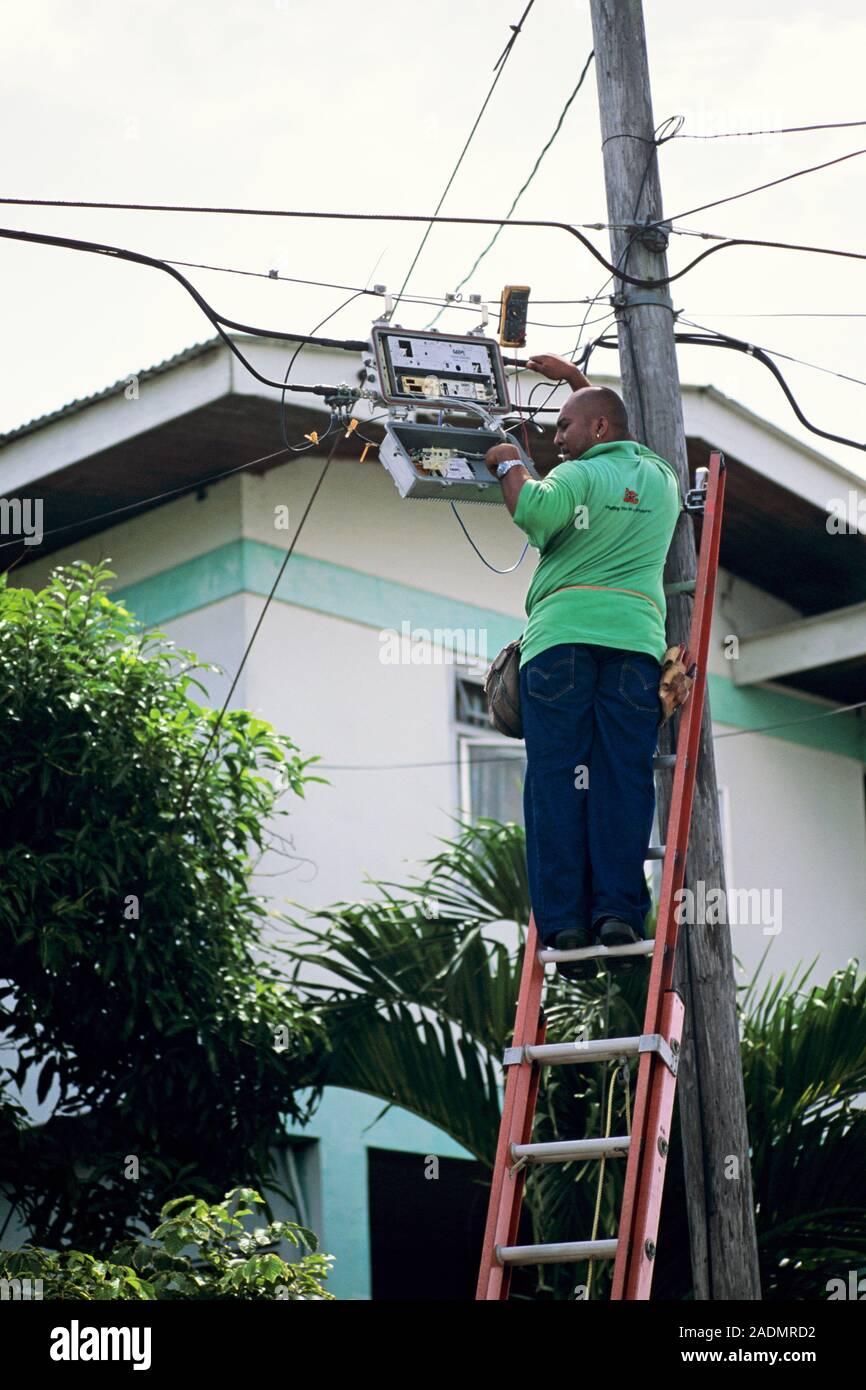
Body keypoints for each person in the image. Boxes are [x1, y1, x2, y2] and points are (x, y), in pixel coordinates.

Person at [484, 353, 681, 980]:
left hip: (562, 647)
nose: (556, 440)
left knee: (558, 780)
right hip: (634, 650)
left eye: (564, 427)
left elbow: (534, 512)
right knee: (621, 778)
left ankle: (566, 924)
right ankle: (618, 913)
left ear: (596, 430)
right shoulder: (660, 478)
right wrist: (575, 383)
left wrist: (506, 461)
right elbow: (611, 422)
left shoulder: (575, 478)